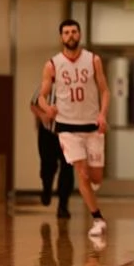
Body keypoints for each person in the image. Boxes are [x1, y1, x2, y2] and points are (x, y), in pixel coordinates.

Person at [38, 19, 110, 238]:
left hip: (91, 125)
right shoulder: (52, 64)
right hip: (67, 127)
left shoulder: (93, 60)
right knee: (82, 172)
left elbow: (105, 90)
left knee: (96, 177)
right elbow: (41, 95)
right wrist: (47, 108)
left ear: (79, 35)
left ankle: (93, 184)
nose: (70, 35)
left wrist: (102, 115)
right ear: (61, 36)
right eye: (66, 32)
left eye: (74, 31)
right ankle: (97, 218)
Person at [31, 82, 74, 219]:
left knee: (67, 168)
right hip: (48, 132)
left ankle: (63, 205)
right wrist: (42, 115)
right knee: (48, 165)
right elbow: (33, 104)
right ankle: (47, 188)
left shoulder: (77, 86)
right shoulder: (47, 84)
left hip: (68, 133)